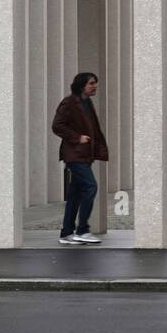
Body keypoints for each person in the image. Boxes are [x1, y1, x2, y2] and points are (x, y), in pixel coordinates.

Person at [52, 73, 107, 245]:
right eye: (91, 83)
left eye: (95, 83)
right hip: (74, 154)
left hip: (84, 155)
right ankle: (82, 230)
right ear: (81, 85)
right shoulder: (69, 103)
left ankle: (66, 233)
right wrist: (77, 138)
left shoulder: (87, 103)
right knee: (91, 186)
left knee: (75, 194)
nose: (94, 86)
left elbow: (94, 129)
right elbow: (57, 125)